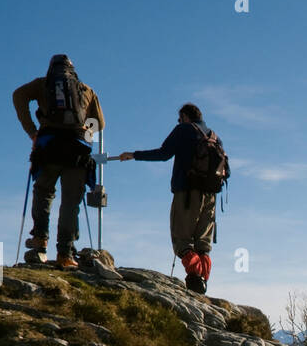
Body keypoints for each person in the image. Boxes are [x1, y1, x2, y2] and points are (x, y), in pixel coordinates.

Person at [119, 103, 228, 294]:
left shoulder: (184, 129)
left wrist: (134, 155)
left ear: (185, 116)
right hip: (210, 196)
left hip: (187, 193)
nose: (179, 122)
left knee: (182, 240)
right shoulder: (215, 137)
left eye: (179, 119)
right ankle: (202, 282)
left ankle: (194, 280)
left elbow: (164, 154)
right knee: (203, 245)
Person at [12, 54, 105, 269]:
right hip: (77, 151)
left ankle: (40, 241)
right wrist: (86, 135)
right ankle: (65, 252)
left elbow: (18, 95)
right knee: (71, 202)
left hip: (49, 147)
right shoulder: (86, 89)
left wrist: (32, 132)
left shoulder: (43, 83)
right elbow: (99, 123)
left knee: (43, 192)